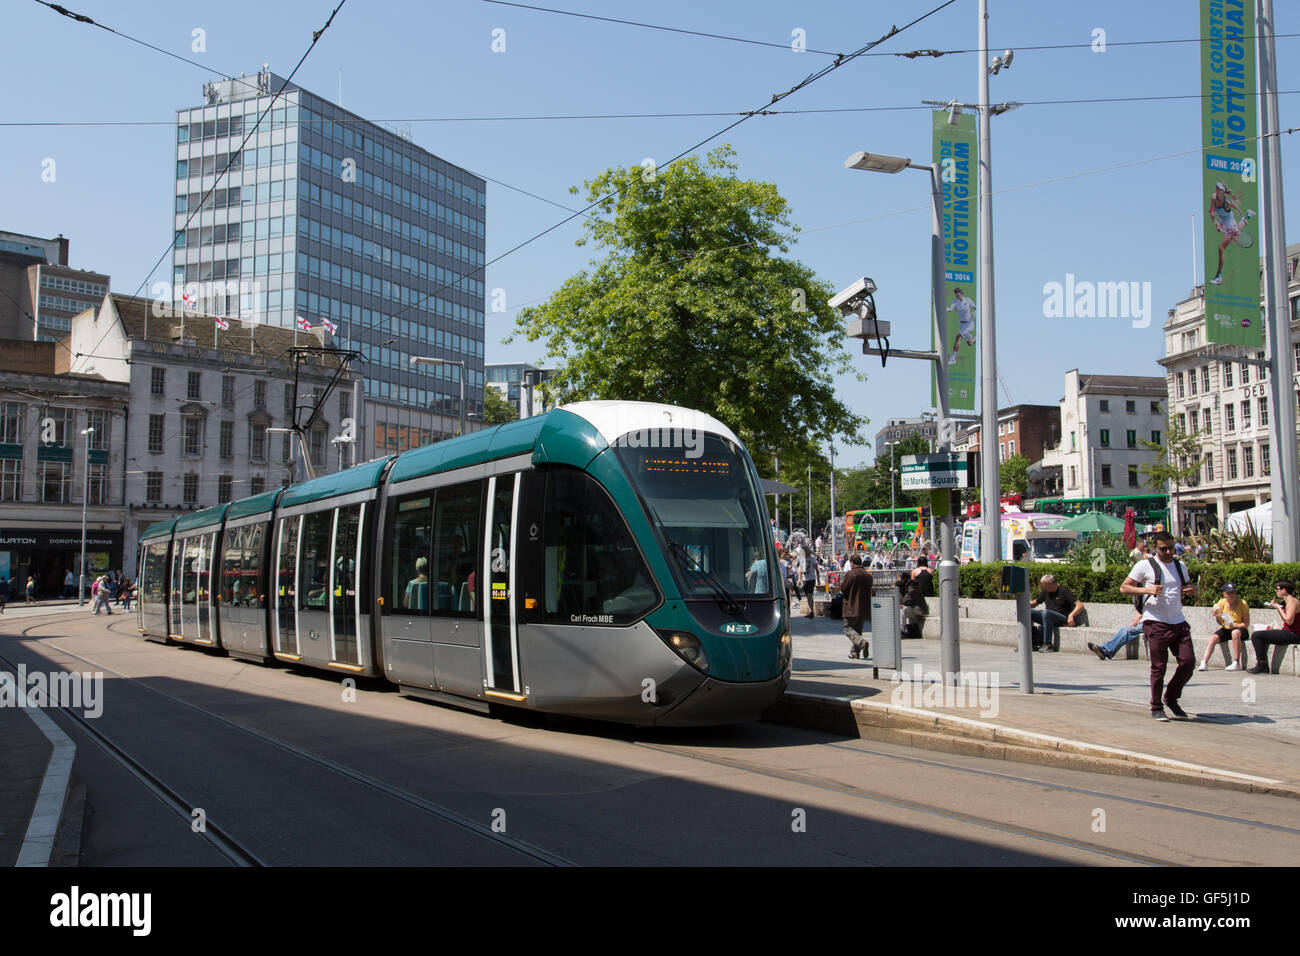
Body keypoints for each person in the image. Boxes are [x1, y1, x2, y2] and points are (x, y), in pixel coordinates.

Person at [1121, 531, 1197, 720]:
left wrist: (1192, 590)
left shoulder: (1180, 566)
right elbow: (1124, 587)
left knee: (1188, 662)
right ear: (1155, 548)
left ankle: (1171, 697)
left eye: (1171, 547)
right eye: (1164, 549)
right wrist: (1146, 589)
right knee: (1159, 666)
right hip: (1155, 621)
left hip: (1178, 621)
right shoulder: (1144, 566)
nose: (1169, 552)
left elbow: (1188, 586)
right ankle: (1156, 707)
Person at [1247, 580, 1300, 675]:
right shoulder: (1289, 601)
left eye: (1278, 589)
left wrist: (1278, 608)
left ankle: (1262, 665)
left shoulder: (1292, 602)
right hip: (1289, 632)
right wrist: (1278, 606)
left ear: (1284, 590)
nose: (1276, 591)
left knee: (1256, 635)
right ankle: (1262, 664)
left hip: (1294, 634)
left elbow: (1289, 621)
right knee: (1262, 634)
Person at [1208, 180, 1255, 285]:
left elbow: (1237, 209)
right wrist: (1216, 223)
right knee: (1223, 246)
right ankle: (1218, 275)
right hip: (1222, 220)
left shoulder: (1228, 202)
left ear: (1223, 192)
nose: (1216, 190)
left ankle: (1247, 216)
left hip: (1230, 221)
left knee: (1226, 243)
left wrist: (1243, 217)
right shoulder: (1213, 197)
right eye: (1216, 188)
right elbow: (1211, 212)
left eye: (1219, 189)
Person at [1200, 583, 1249, 672]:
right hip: (1227, 628)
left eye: (1234, 592)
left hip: (1240, 629)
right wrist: (1217, 616)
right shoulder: (1221, 602)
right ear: (1224, 594)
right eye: (1229, 593)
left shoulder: (1243, 603)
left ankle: (1236, 662)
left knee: (1235, 632)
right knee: (1213, 638)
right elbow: (1220, 623)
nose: (1232, 595)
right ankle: (1204, 662)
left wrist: (1236, 626)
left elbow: (1246, 623)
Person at [1029, 574, 1083, 652]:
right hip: (1047, 618)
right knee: (1028, 613)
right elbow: (1035, 603)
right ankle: (1032, 643)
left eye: (1045, 585)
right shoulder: (1046, 592)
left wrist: (1071, 615)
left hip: (1062, 618)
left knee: (1046, 613)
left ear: (1052, 584)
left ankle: (1048, 644)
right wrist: (1024, 605)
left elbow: (1080, 605)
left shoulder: (1063, 591)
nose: (1044, 587)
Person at [839, 554, 872, 659]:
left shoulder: (851, 574)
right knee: (858, 630)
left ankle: (861, 643)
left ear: (852, 563)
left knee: (847, 628)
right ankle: (854, 653)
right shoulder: (868, 575)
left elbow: (843, 588)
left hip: (851, 606)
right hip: (863, 607)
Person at [946, 287, 976, 365]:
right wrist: (944, 309)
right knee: (970, 343)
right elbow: (950, 309)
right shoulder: (954, 302)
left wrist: (976, 312)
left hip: (969, 324)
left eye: (958, 293)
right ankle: (978, 338)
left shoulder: (968, 300)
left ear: (961, 293)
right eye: (955, 294)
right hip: (962, 325)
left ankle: (953, 358)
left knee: (958, 337)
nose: (957, 295)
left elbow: (975, 308)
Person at [801, 544, 817, 618]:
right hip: (805, 579)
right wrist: (799, 578)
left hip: (811, 578)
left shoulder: (812, 558)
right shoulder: (802, 558)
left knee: (809, 595)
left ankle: (812, 611)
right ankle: (811, 611)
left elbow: (816, 568)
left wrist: (819, 579)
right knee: (807, 596)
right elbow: (800, 569)